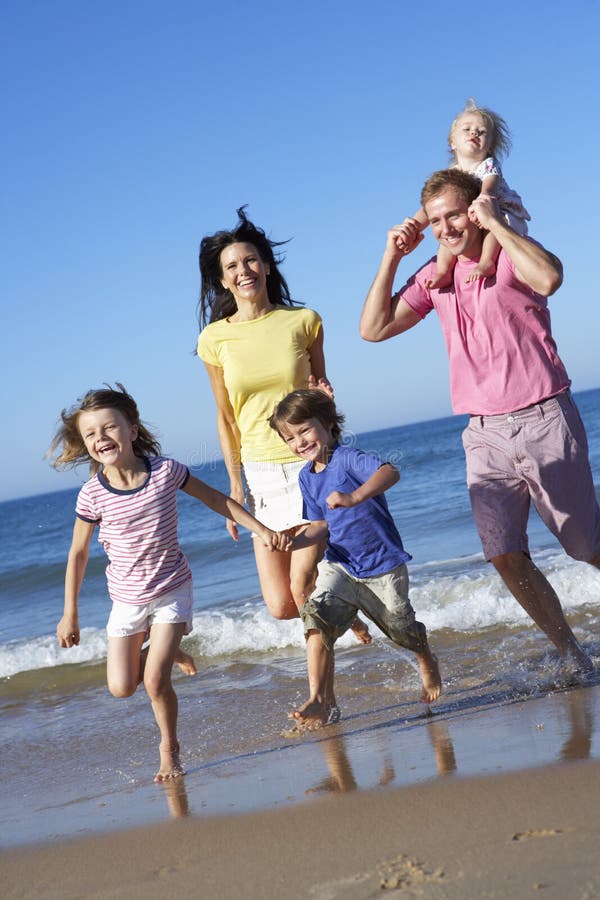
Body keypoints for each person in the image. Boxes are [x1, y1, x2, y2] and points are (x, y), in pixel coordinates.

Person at [360, 167, 600, 674]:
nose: (447, 227)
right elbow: (373, 328)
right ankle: (571, 655)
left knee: (585, 545)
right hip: (483, 434)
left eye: (455, 215)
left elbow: (551, 278)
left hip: (544, 417)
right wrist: (392, 256)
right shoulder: (435, 276)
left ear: (475, 209)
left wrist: (500, 226)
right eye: (436, 220)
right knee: (504, 555)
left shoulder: (510, 254)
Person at [50, 384, 291, 782]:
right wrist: (69, 615)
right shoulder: (93, 495)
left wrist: (261, 529)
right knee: (121, 687)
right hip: (126, 600)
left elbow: (216, 500)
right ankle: (171, 650)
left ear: (131, 429)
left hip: (171, 590)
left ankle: (169, 749)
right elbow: (78, 554)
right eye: (90, 434)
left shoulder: (165, 471)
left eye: (109, 428)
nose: (100, 439)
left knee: (154, 680)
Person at [196, 207, 370, 645]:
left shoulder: (303, 322)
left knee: (301, 586)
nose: (243, 270)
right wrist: (236, 486)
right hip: (259, 472)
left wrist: (331, 437)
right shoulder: (213, 339)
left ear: (267, 265)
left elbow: (320, 394)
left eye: (251, 260)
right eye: (232, 266)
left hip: (306, 463)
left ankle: (322, 695)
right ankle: (346, 606)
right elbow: (225, 416)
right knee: (281, 606)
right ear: (222, 280)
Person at [269, 389, 442, 728]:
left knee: (401, 629)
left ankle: (426, 658)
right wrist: (292, 541)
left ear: (329, 424)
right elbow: (319, 525)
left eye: (305, 430)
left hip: (383, 565)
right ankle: (318, 697)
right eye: (290, 438)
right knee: (315, 618)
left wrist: (354, 496)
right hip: (341, 565)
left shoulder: (347, 458)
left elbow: (390, 472)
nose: (300, 441)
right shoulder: (306, 477)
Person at [402, 98, 530, 287]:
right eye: (467, 129)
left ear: (490, 147)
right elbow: (431, 207)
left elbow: (490, 184)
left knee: (494, 225)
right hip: (472, 216)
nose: (474, 133)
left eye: (482, 132)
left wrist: (484, 196)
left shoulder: (488, 165)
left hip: (498, 210)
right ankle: (444, 271)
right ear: (453, 142)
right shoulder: (453, 174)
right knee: (447, 233)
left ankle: (487, 262)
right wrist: (413, 227)